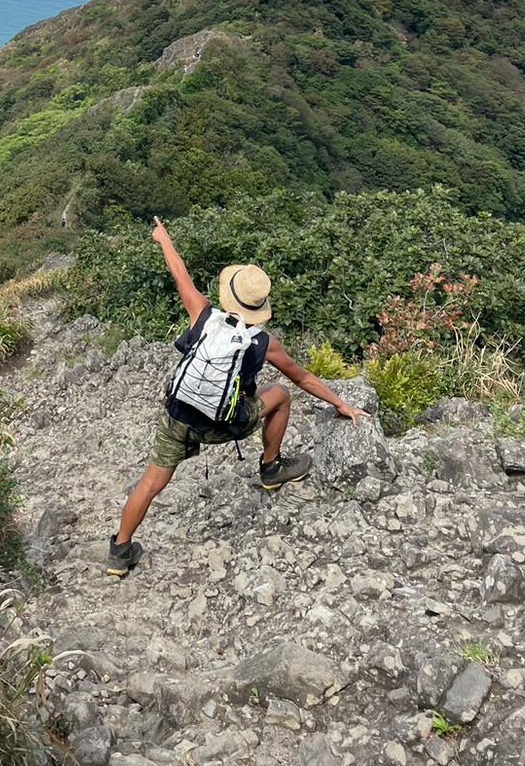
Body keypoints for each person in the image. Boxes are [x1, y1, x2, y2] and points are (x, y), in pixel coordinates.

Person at [107, 216, 369, 576]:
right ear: (259, 306)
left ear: (228, 294)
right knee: (280, 394)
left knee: (151, 483)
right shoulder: (263, 342)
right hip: (222, 423)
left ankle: (120, 552)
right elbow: (302, 376)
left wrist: (163, 239)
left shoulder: (202, 313)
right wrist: (341, 404)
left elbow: (178, 271)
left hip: (177, 415)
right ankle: (271, 467)